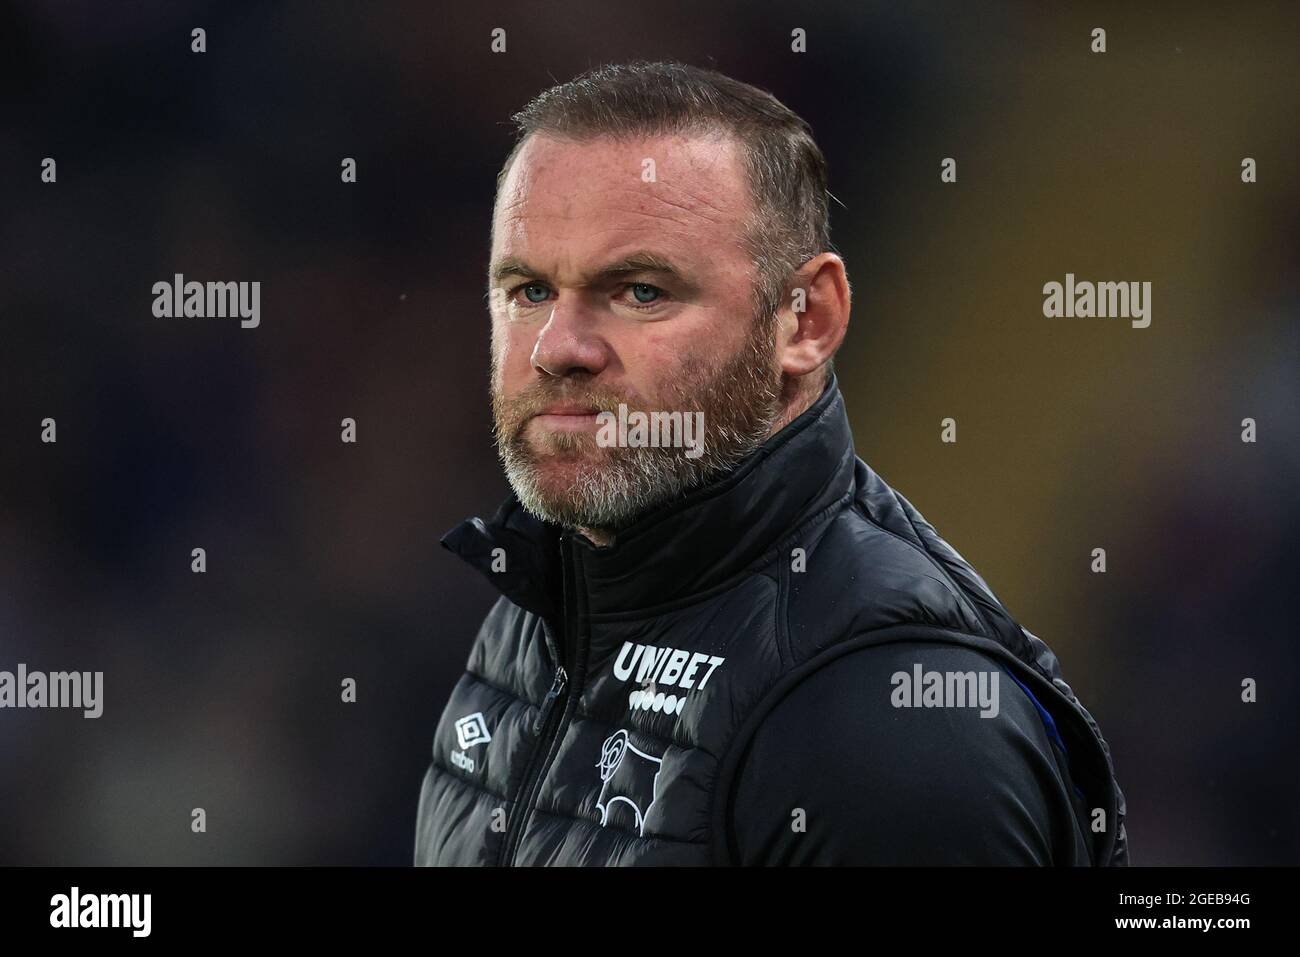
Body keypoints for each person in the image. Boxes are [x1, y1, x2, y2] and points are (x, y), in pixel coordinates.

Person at [415, 60, 1128, 866]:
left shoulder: (897, 724)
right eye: (528, 290)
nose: (558, 350)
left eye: (641, 291)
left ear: (806, 320)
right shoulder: (537, 614)